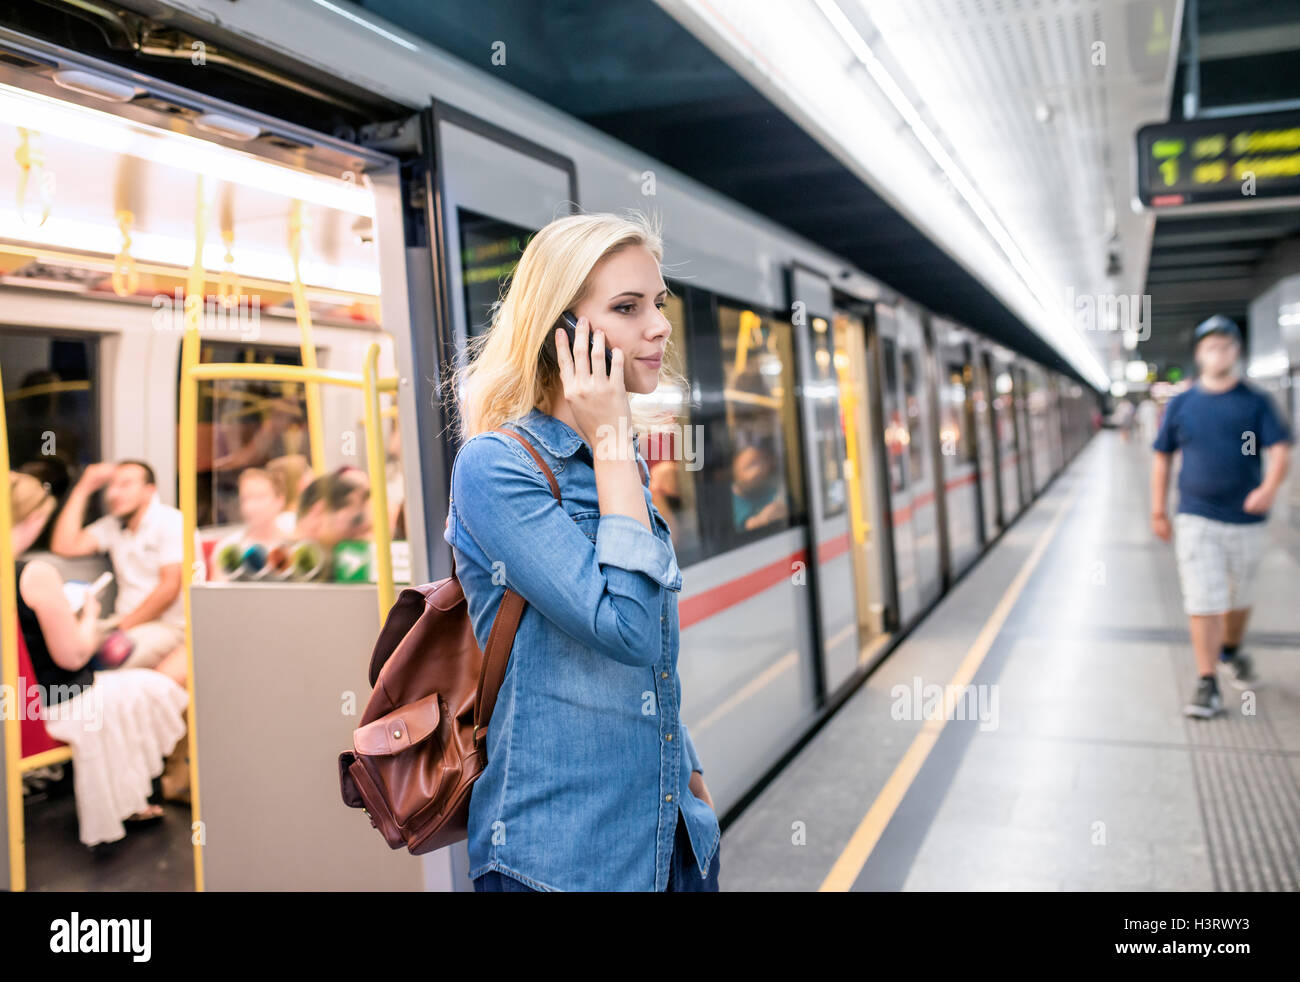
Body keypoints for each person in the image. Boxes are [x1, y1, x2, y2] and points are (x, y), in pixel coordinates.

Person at [444, 211, 720, 891]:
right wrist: (611, 443)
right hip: (563, 862)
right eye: (627, 308)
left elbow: (651, 657)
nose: (658, 326)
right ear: (560, 331)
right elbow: (624, 630)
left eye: (657, 304)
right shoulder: (495, 468)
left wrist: (690, 779)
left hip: (672, 842)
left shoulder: (615, 462)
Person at [10, 472, 189, 848]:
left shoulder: (169, 523)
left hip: (22, 700)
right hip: (58, 698)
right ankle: (137, 794)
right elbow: (73, 656)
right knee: (155, 688)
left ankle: (134, 793)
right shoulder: (36, 573)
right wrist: (89, 614)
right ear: (32, 520)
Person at [1150, 315, 1292, 718]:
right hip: (1196, 517)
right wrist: (1158, 509)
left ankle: (1231, 649)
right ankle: (1207, 681)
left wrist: (1267, 490)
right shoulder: (1182, 404)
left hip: (1246, 521)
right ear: (1199, 354)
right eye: (1211, 346)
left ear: (1237, 352)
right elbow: (1162, 457)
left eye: (1226, 346)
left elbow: (1279, 450)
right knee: (1203, 599)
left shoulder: (1255, 402)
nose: (1219, 353)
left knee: (1239, 597)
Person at [49, 460, 202, 670]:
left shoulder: (171, 522)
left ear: (150, 491)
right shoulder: (113, 525)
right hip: (123, 622)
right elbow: (65, 545)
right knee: (65, 649)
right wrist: (83, 488)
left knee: (111, 659)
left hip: (168, 627)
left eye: (125, 485)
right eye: (111, 485)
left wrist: (122, 628)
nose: (113, 493)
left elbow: (169, 589)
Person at [210, 467, 293, 580]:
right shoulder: (228, 549)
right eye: (246, 498)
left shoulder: (293, 546)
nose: (251, 505)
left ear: (280, 500)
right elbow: (217, 592)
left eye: (260, 497)